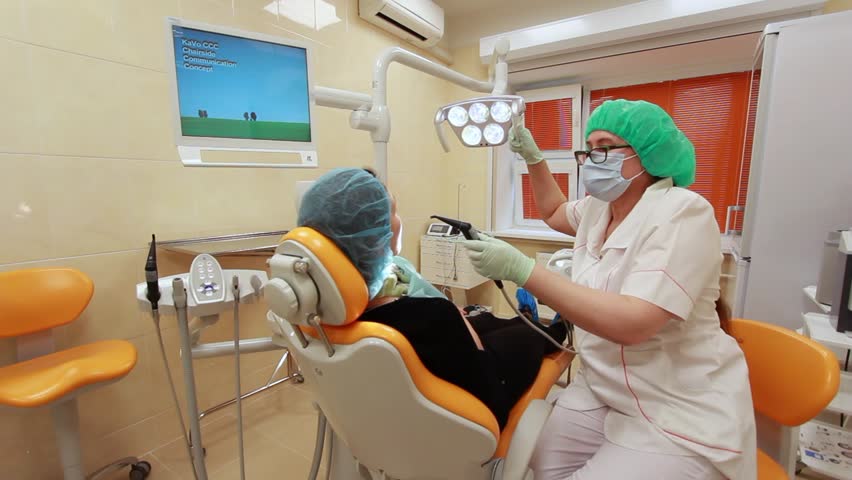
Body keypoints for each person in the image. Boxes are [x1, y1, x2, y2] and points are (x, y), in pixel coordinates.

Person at [463, 100, 756, 479]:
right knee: (542, 467)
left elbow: (633, 323)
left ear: (647, 154)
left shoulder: (683, 212)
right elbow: (554, 212)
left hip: (677, 403)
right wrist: (533, 159)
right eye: (588, 148)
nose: (590, 159)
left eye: (604, 147)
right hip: (603, 385)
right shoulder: (599, 208)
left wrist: (523, 270)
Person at [297, 167, 568, 429]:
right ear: (377, 235)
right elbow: (490, 390)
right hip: (483, 399)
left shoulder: (316, 314)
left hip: (409, 386)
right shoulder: (433, 314)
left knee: (488, 319)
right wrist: (463, 327)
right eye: (391, 212)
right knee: (524, 336)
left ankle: (528, 319)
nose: (398, 219)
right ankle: (555, 330)